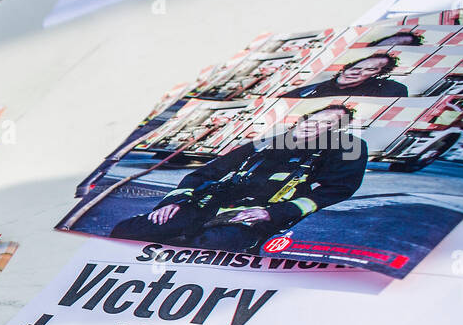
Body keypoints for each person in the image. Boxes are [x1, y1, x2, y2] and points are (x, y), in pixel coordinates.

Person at [109, 105, 368, 253]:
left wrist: (275, 214)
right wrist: (173, 203)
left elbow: (335, 191)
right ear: (303, 119)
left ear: (335, 131)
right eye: (316, 118)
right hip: (203, 206)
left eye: (328, 124)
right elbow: (203, 174)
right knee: (129, 231)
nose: (316, 125)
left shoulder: (341, 149)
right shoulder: (264, 143)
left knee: (213, 248)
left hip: (254, 215)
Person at [281, 53, 408, 99]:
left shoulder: (388, 89)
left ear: (376, 74)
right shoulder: (309, 88)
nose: (356, 72)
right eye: (356, 67)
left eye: (369, 69)